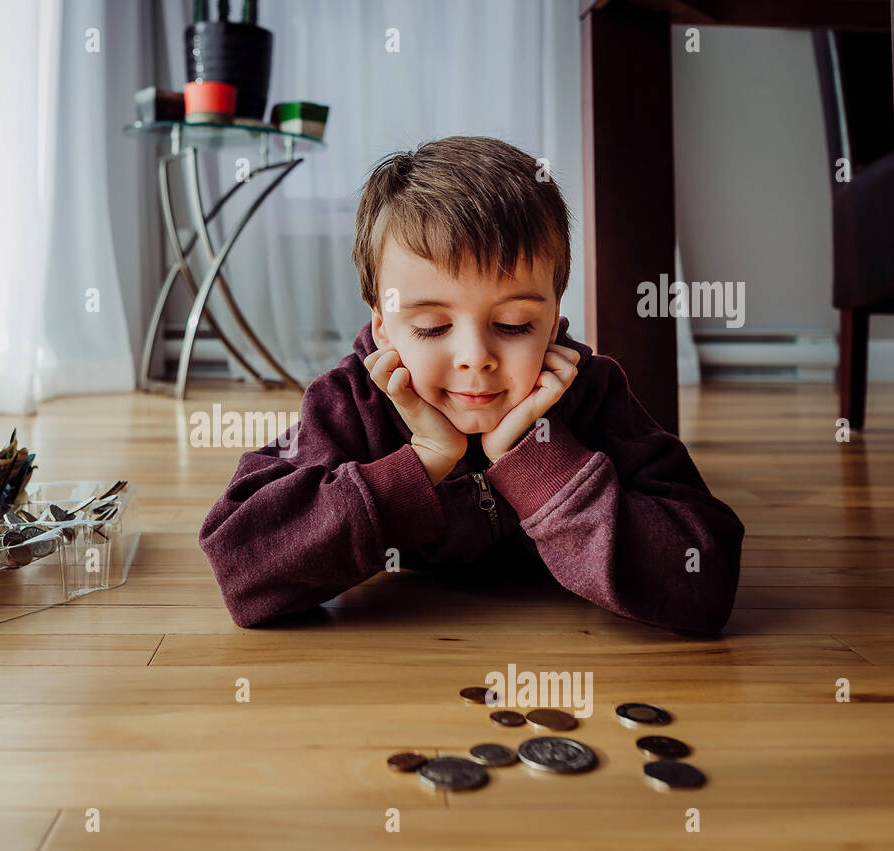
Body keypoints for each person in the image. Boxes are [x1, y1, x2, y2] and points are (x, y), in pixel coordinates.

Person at [199, 136, 744, 634]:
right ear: (382, 326)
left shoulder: (592, 391)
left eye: (513, 325)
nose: (476, 359)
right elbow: (243, 567)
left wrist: (534, 463)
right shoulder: (349, 400)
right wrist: (422, 462)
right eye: (432, 327)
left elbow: (704, 581)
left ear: (554, 321)